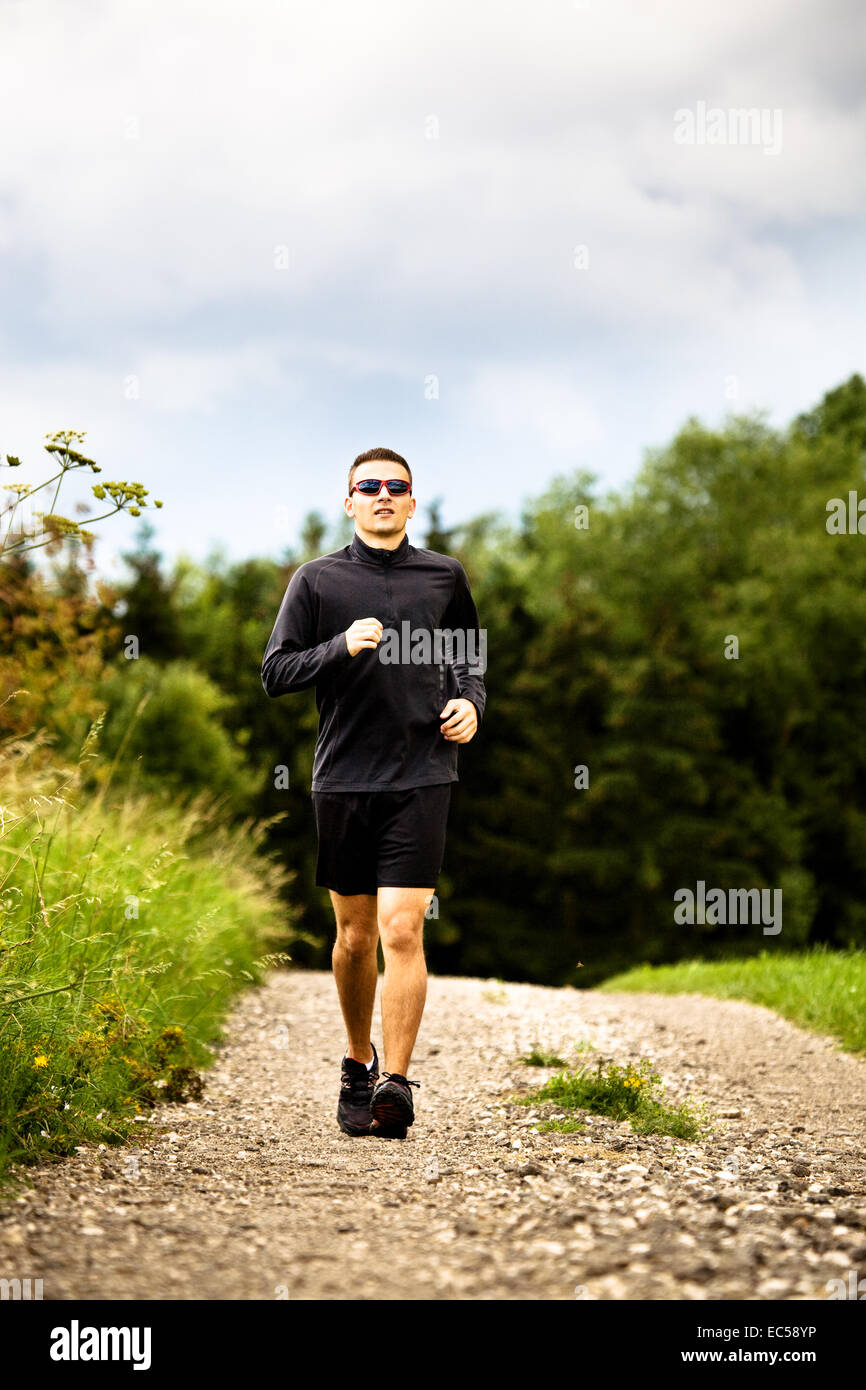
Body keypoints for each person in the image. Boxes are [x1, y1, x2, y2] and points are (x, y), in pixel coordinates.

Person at [261, 447, 486, 1139]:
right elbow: (275, 671)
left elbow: (467, 656)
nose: (383, 495)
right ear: (350, 501)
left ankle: (395, 1081)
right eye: (370, 487)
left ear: (413, 503)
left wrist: (471, 704)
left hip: (422, 775)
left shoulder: (444, 577)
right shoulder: (317, 580)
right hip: (344, 779)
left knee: (401, 929)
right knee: (356, 937)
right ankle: (358, 1062)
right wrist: (339, 647)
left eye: (397, 487)